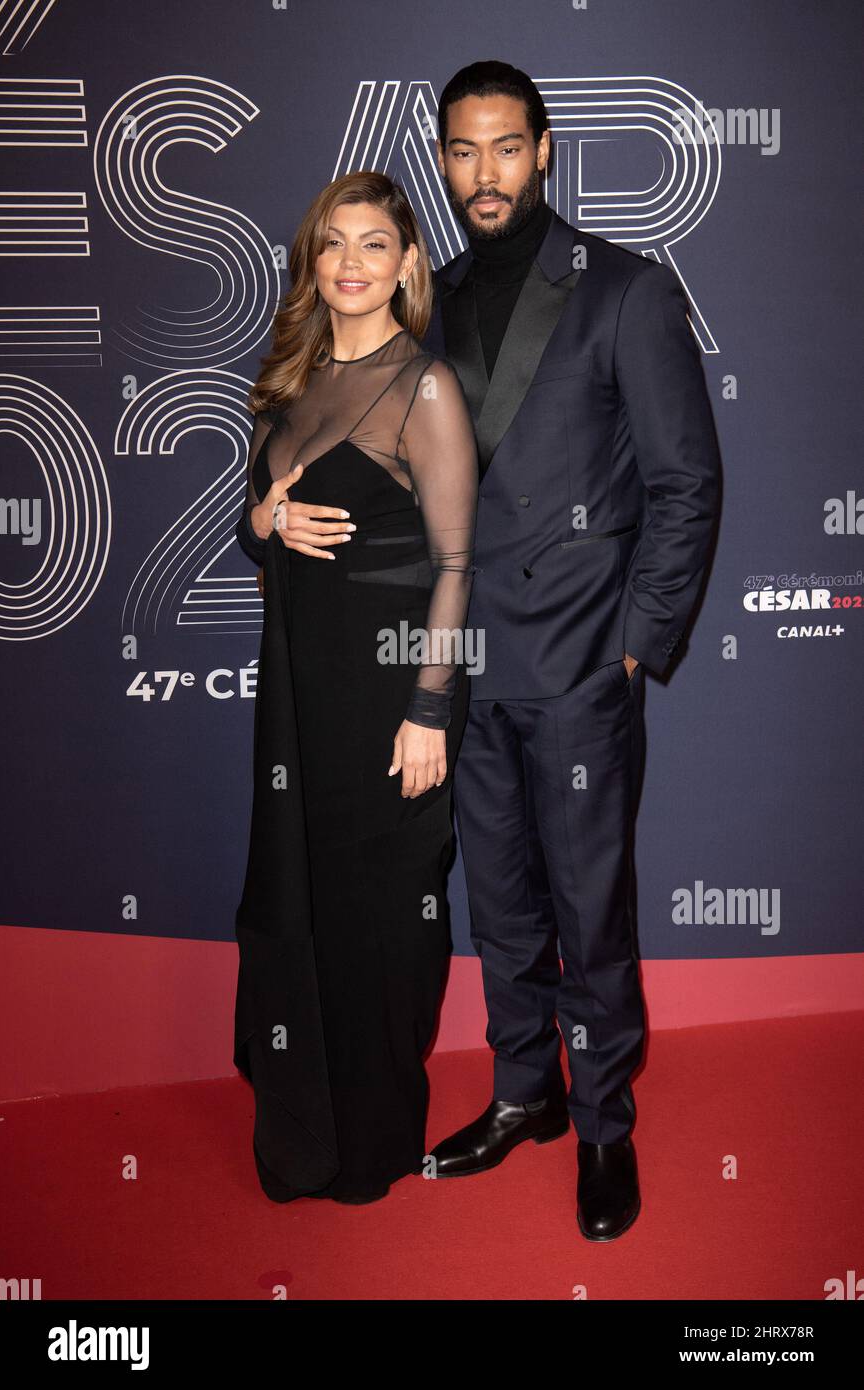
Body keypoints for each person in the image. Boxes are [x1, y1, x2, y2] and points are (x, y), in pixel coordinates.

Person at [422, 62, 722, 1240]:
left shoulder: (623, 291)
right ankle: (522, 1091)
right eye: (462, 150)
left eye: (506, 147)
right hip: (469, 674)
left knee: (587, 912)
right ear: (442, 159)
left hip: (581, 670)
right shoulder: (427, 301)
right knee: (496, 903)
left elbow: (683, 483)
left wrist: (635, 649)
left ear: (543, 150)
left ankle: (602, 1125)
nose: (484, 172)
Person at [232, 171, 479, 1205]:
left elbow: (456, 562)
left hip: (389, 699)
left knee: (382, 918)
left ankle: (369, 1138)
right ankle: (302, 1132)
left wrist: (428, 709)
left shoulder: (421, 385)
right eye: (331, 244)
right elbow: (261, 513)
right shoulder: (285, 383)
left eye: (373, 244)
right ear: (310, 263)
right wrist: (264, 523)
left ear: (405, 265)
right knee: (303, 903)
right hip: (299, 696)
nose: (348, 263)